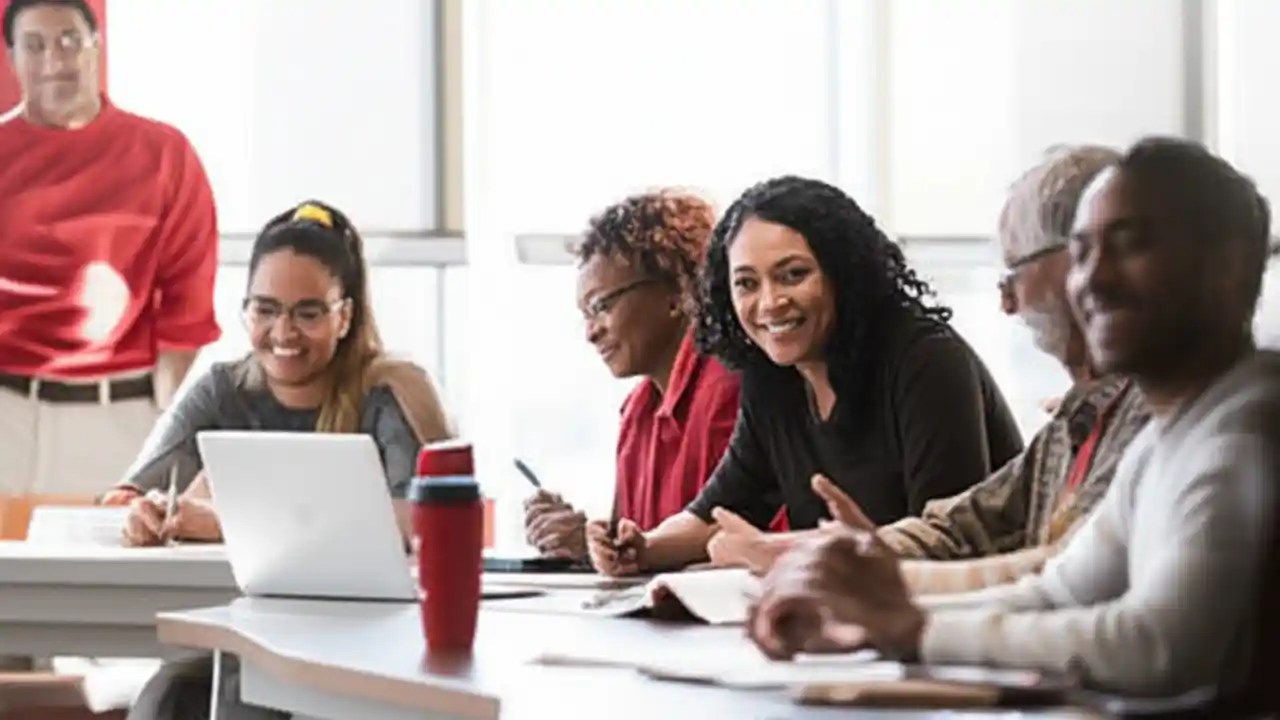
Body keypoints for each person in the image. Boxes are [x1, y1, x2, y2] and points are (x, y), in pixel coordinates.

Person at [748, 137, 1278, 699]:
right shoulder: (1175, 432)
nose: (1093, 280)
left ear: (1227, 266)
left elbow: (1157, 646)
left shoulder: (1247, 431)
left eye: (1130, 246)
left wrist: (912, 626)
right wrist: (863, 615)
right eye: (1082, 252)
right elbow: (1057, 589)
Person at [589, 176, 1024, 577]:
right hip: (859, 618)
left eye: (793, 275)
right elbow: (716, 511)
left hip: (966, 616)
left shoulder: (928, 361)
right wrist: (643, 547)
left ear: (842, 272)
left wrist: (772, 551)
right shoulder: (771, 375)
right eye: (746, 283)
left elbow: (950, 545)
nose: (770, 303)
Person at [122, 201, 452, 720]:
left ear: (345, 315)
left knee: (249, 690)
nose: (283, 332)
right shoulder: (222, 389)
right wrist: (143, 513)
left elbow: (416, 522)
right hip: (246, 633)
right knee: (169, 698)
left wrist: (227, 519)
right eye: (266, 309)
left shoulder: (389, 390)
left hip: (371, 645)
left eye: (308, 312)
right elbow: (129, 494)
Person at [773, 146, 1152, 594]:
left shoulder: (1153, 411)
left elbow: (1076, 572)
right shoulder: (1077, 417)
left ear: (1078, 258)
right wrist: (861, 551)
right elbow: (962, 528)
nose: (1007, 303)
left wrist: (888, 576)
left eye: (1014, 273)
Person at [0, 0, 221, 499]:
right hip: (5, 406)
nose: (55, 60)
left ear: (96, 46)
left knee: (112, 570)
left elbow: (186, 303)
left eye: (69, 41)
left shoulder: (165, 155)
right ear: (12, 58)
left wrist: (162, 421)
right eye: (34, 45)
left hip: (118, 413)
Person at [523, 190, 753, 561]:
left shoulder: (728, 387)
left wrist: (612, 551)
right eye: (585, 314)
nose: (591, 332)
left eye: (601, 306)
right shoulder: (638, 410)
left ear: (679, 292)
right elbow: (638, 545)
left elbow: (727, 542)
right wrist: (588, 543)